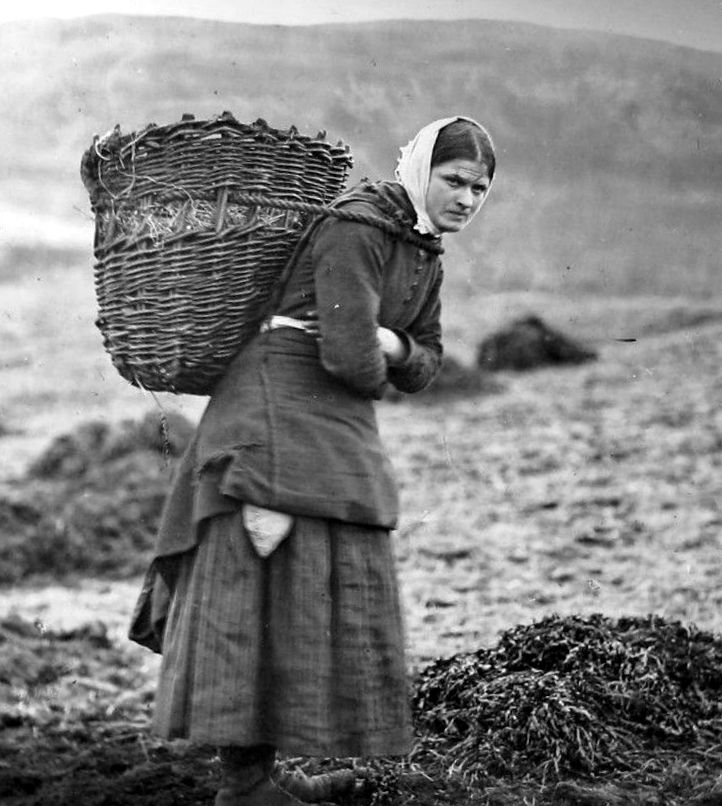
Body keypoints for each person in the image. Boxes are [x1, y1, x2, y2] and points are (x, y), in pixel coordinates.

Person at [129, 115, 496, 805]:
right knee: (257, 581)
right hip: (272, 407)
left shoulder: (421, 248)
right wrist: (390, 347)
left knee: (308, 575)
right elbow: (350, 358)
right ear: (421, 172)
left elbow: (424, 362)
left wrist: (393, 348)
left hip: (324, 412)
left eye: (480, 189)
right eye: (454, 181)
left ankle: (264, 772)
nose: (467, 199)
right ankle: (242, 786)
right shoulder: (357, 229)